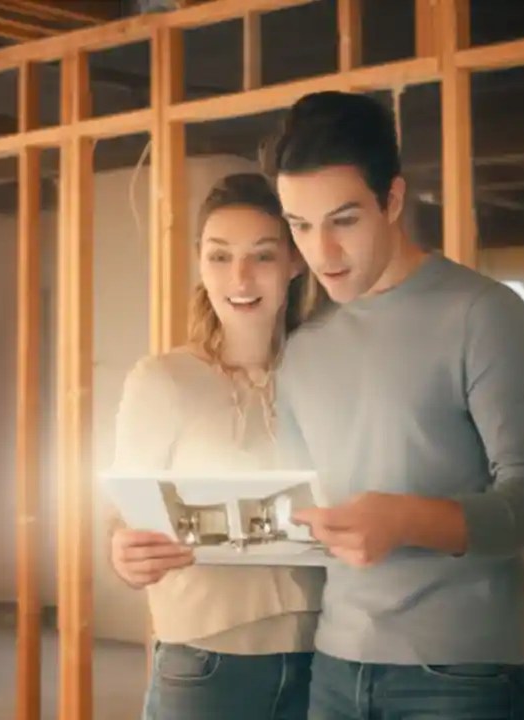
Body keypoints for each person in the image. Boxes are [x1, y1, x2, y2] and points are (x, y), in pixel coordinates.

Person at [268, 91, 524, 719]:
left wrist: (405, 519)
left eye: (343, 220)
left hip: (461, 675)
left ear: (393, 200)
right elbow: (299, 516)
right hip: (333, 667)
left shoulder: (484, 316)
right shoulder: (303, 350)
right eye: (300, 225)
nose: (321, 252)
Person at [108, 172, 327, 720]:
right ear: (200, 263)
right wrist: (124, 551)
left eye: (262, 256)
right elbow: (124, 516)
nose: (241, 277)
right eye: (220, 256)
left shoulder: (328, 373)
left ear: (295, 261)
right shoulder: (163, 380)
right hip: (206, 660)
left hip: (327, 656)